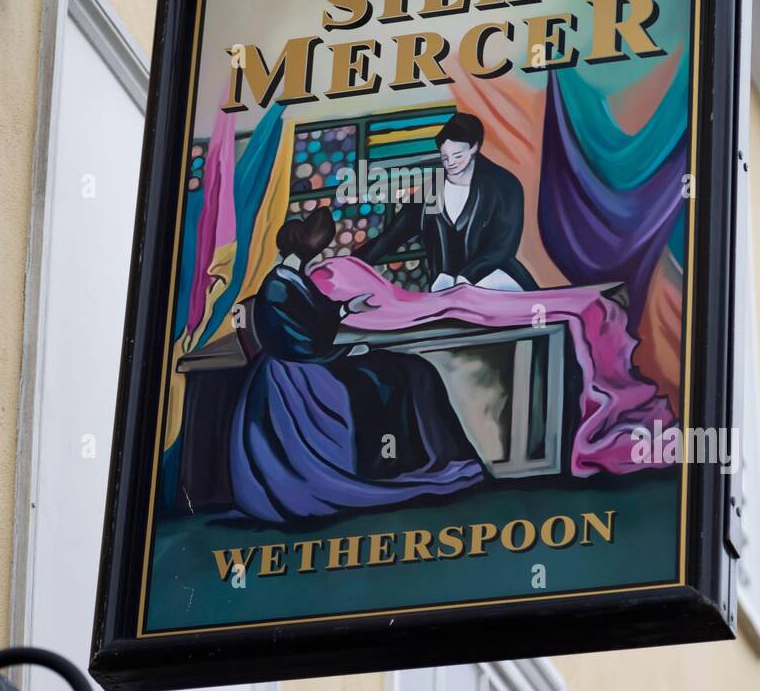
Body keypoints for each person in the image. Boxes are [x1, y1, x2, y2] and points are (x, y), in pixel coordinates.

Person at [222, 206, 484, 524]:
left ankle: (419, 459)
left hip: (312, 361)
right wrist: (345, 354)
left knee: (412, 369)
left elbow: (318, 319)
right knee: (390, 377)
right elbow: (297, 343)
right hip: (299, 372)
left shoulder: (293, 280)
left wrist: (347, 308)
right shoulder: (278, 286)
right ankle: (387, 465)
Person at [358, 112, 536, 292]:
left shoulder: (504, 185)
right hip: (447, 288)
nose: (450, 163)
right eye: (445, 157)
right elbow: (391, 236)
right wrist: (353, 264)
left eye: (457, 155)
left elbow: (502, 248)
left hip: (498, 280)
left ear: (474, 147)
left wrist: (467, 276)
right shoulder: (432, 190)